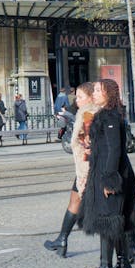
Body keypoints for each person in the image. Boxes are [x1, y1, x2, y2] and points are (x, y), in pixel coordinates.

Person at [81, 78, 135, 268]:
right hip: (114, 171)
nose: (95, 93)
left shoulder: (109, 117)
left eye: (98, 90)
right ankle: (123, 266)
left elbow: (115, 149)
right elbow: (109, 146)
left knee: (107, 220)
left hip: (111, 173)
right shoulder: (109, 115)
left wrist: (109, 180)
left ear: (108, 93)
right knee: (117, 221)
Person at [43, 82, 99, 258]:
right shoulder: (85, 113)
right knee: (74, 200)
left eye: (81, 97)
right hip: (84, 168)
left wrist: (74, 121)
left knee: (109, 211)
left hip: (90, 168)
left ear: (91, 98)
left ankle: (129, 247)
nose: (77, 100)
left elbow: (88, 142)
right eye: (77, 97)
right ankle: (62, 239)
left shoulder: (89, 114)